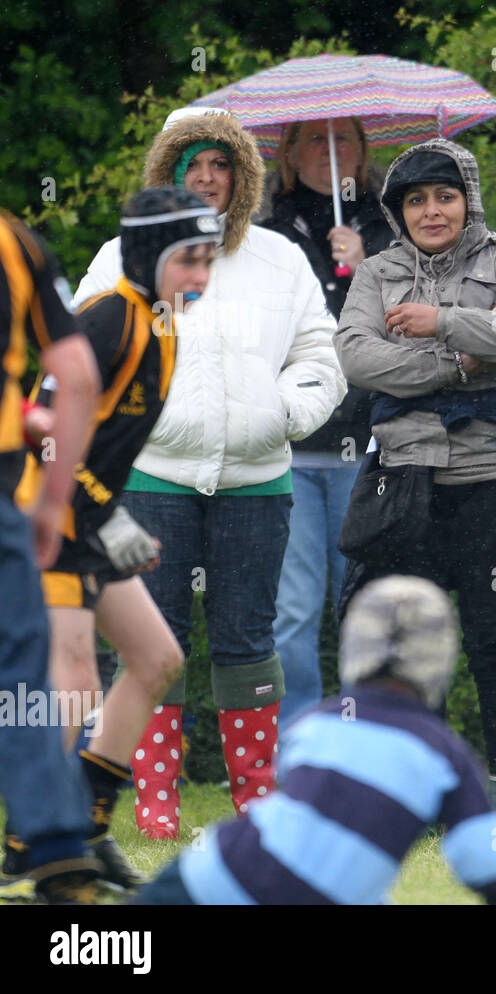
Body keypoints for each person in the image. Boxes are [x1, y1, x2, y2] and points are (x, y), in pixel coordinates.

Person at [71, 107, 345, 836]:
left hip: (259, 484)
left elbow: (322, 359)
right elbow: (81, 362)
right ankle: (154, 803)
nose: (206, 177)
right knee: (151, 643)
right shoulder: (118, 257)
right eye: (192, 164)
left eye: (221, 164)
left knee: (249, 641)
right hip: (149, 481)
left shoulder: (282, 258)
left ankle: (255, 805)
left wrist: (277, 413)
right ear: (170, 172)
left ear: (242, 175)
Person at [6, 189, 222, 893]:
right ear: (147, 254)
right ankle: (36, 839)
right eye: (187, 258)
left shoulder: (162, 325)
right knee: (71, 682)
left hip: (89, 522)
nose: (200, 275)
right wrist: (107, 515)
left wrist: (107, 515)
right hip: (48, 522)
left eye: (209, 259)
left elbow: (100, 448)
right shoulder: (107, 319)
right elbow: (41, 432)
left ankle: (89, 825)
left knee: (158, 659)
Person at [334, 137, 496, 836]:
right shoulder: (377, 272)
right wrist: (456, 365)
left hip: (492, 481)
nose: (431, 210)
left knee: (494, 644)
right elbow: (358, 357)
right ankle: (419, 801)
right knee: (406, 653)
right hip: (402, 480)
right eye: (415, 199)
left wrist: (443, 323)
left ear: (468, 200)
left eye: (444, 196)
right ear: (398, 211)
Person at [135, 576, 496, 905]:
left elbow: (314, 836)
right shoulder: (445, 755)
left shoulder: (317, 721)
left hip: (206, 873)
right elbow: (486, 867)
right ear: (442, 657)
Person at [256, 117, 393, 725]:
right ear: (288, 152)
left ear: (363, 153)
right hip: (291, 447)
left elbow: (419, 317)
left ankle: (367, 744)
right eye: (314, 138)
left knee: (367, 608)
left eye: (343, 139)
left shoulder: (393, 223)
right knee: (293, 611)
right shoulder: (262, 229)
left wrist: (367, 265)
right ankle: (298, 749)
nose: (329, 151)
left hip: (371, 448)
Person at [0, 209, 101, 904]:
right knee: (18, 674)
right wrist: (50, 503)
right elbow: (77, 376)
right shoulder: (16, 241)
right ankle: (59, 844)